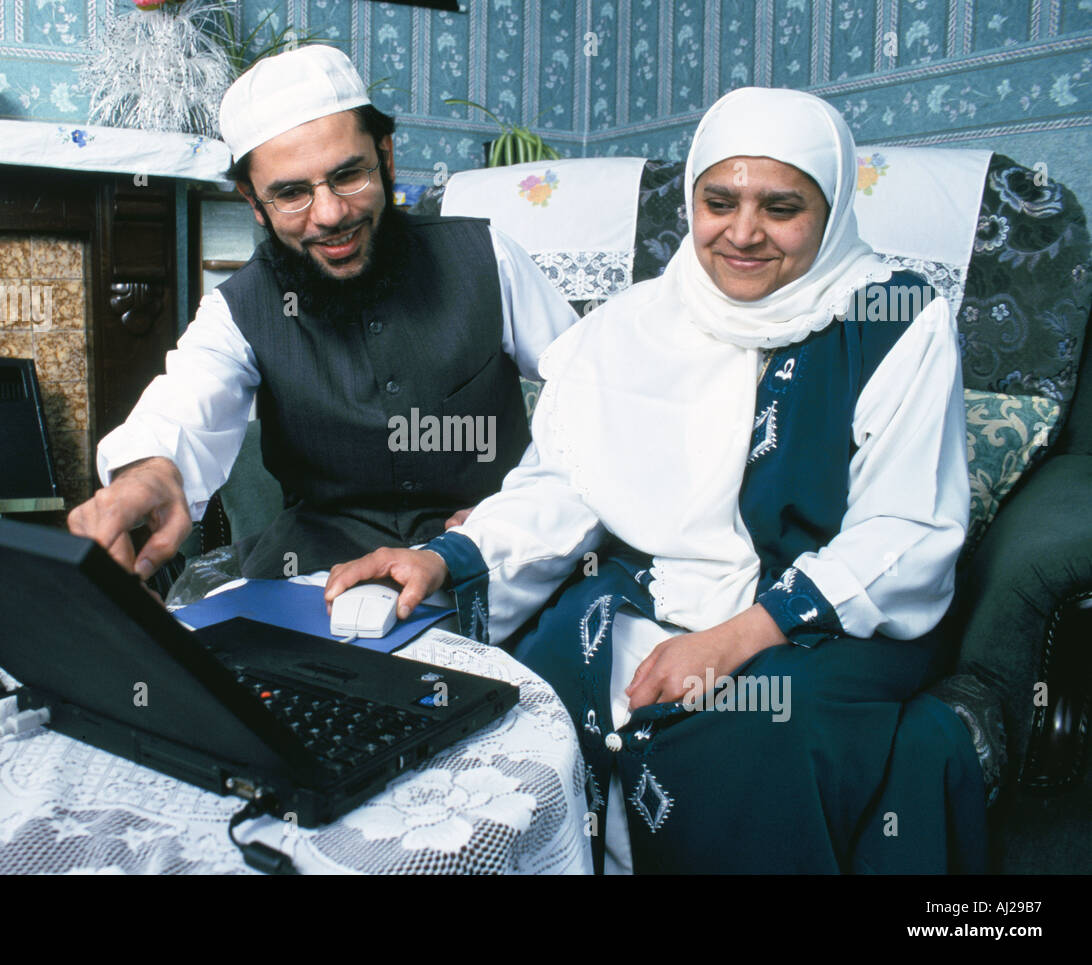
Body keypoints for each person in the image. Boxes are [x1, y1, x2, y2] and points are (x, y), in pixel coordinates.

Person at [325, 86, 987, 873]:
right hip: (650, 583)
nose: (743, 233)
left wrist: (740, 635)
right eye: (719, 201)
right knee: (541, 680)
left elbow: (905, 529)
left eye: (782, 207)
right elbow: (566, 485)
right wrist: (447, 555)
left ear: (834, 208)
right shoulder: (637, 320)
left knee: (753, 724)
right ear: (692, 200)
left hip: (829, 612)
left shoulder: (896, 321)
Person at [68, 45, 577, 581]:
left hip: (492, 555)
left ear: (386, 156)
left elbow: (591, 395)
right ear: (253, 203)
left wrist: (517, 517)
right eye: (290, 194)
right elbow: (184, 406)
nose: (331, 214)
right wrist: (147, 474)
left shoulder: (487, 257)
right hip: (316, 566)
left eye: (349, 175)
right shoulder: (238, 309)